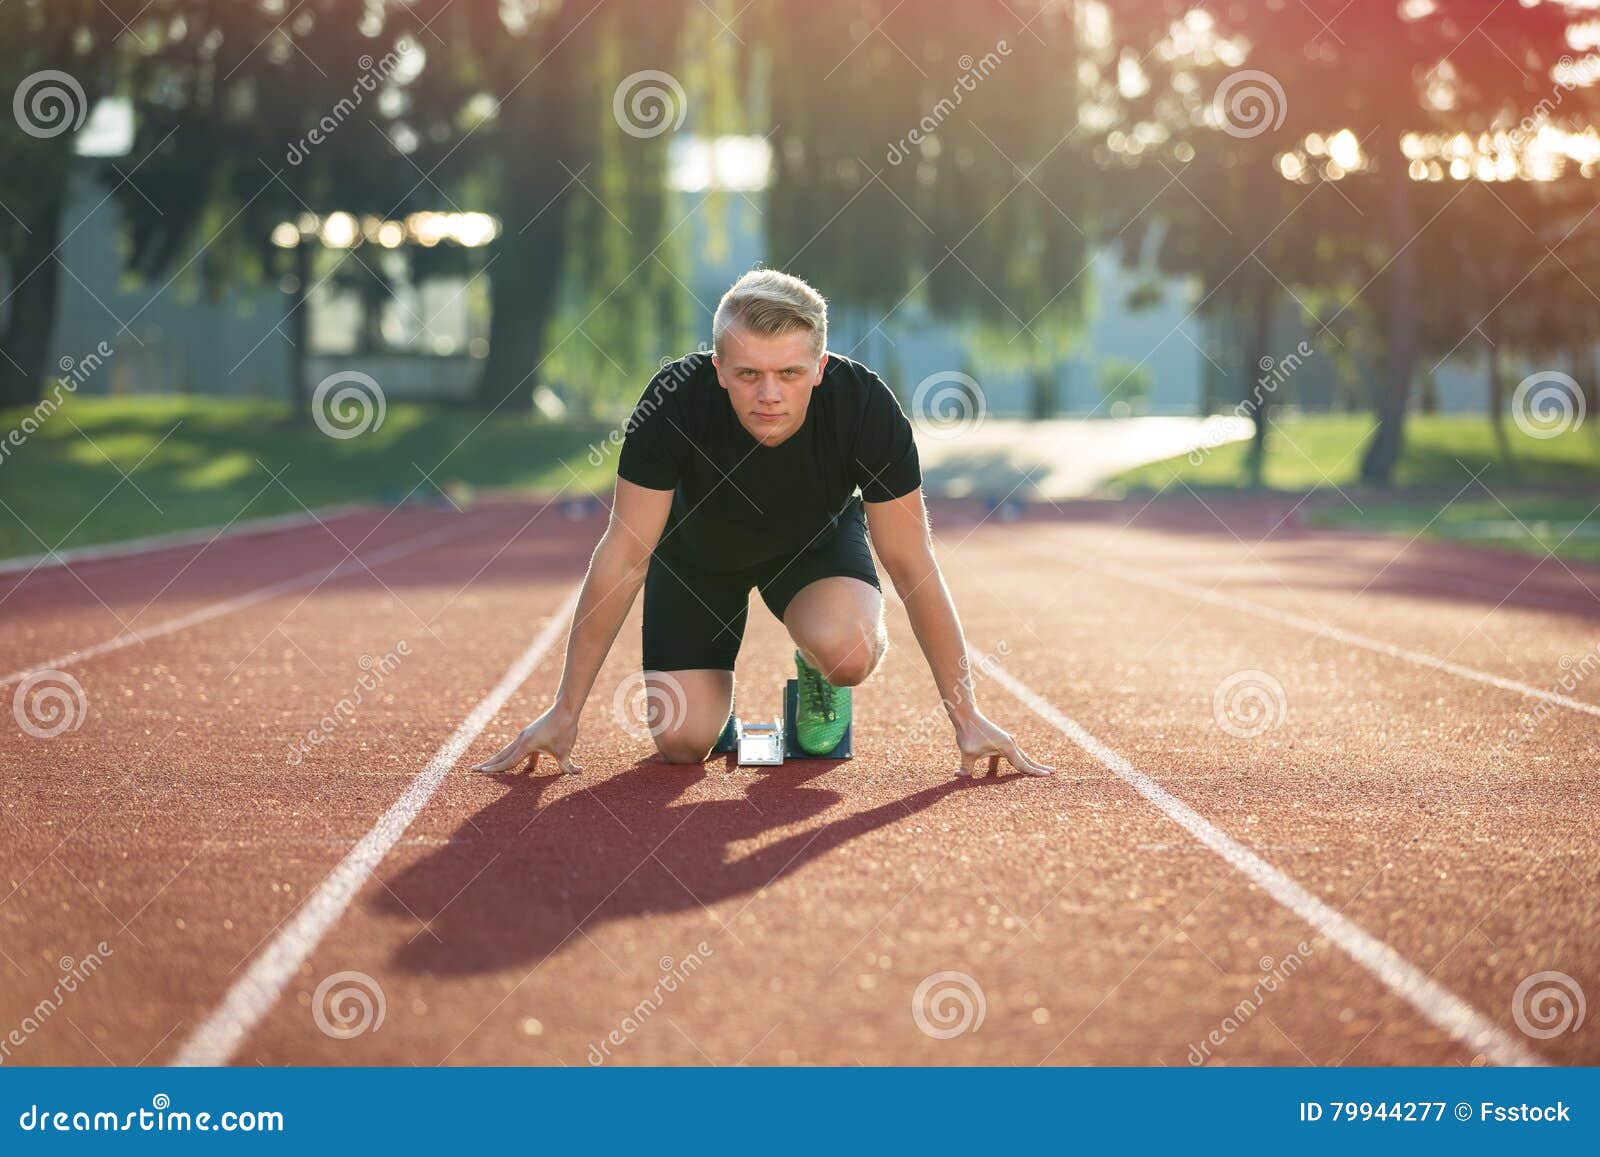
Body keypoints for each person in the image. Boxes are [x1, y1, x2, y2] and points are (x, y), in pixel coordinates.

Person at [474, 268, 1052, 779]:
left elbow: (911, 562)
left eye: (790, 373)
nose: (769, 395)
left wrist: (967, 717)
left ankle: (817, 667)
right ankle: (714, 714)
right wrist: (565, 711)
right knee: (683, 744)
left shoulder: (864, 407)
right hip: (696, 559)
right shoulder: (673, 402)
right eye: (748, 373)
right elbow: (624, 556)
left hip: (811, 549)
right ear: (718, 368)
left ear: (820, 368)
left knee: (848, 653)